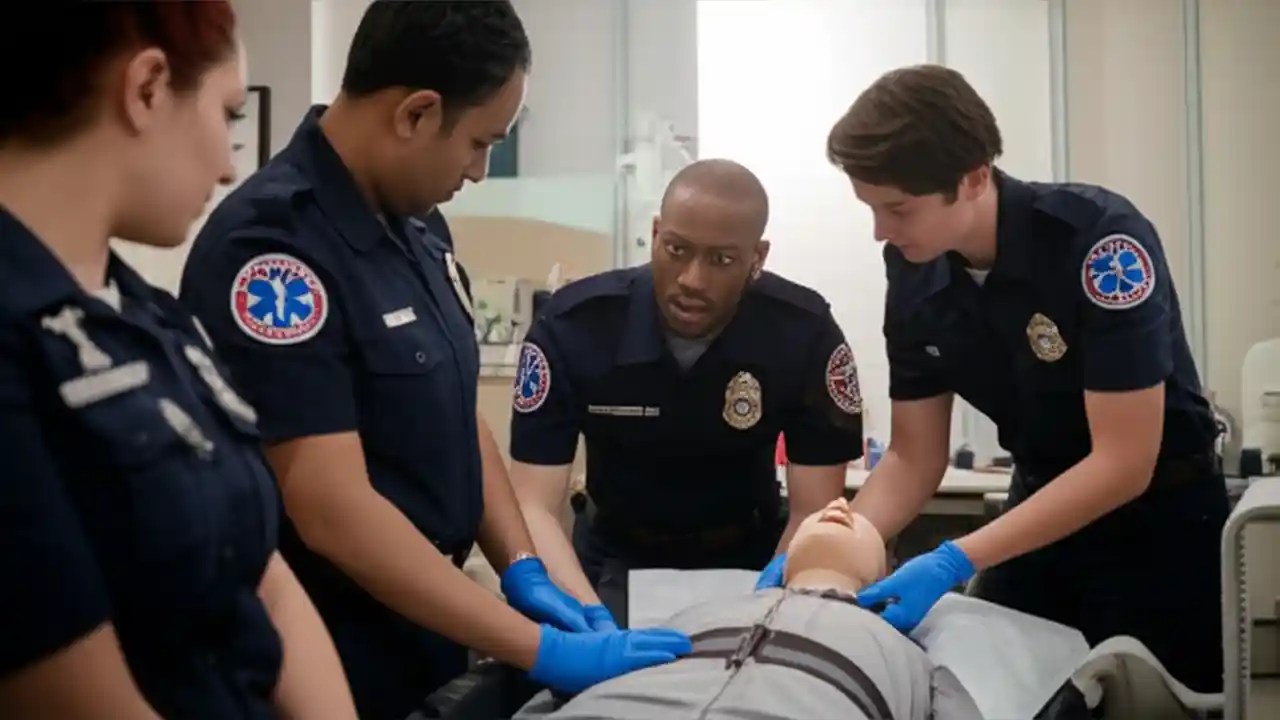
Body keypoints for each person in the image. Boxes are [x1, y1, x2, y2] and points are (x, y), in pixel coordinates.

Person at [177, 2, 690, 718]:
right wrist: (536, 647)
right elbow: (333, 510)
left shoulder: (418, 226)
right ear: (416, 115)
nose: (480, 171)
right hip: (328, 653)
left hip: (429, 627)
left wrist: (522, 566)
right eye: (479, 142)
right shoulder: (273, 253)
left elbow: (451, 412)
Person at [814, 63, 1227, 693]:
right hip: (1036, 511)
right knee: (999, 692)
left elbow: (1124, 462)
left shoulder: (1098, 241)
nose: (881, 231)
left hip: (1158, 523)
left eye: (898, 208)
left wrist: (955, 557)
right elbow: (913, 455)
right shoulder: (915, 270)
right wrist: (839, 546)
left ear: (974, 177)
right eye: (871, 208)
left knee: (1154, 701)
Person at [0, 3, 358, 719]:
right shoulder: (16, 339)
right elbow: (67, 694)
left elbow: (264, 579)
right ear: (147, 88)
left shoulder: (150, 319)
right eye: (227, 115)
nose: (231, 165)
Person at [508, 159, 865, 626]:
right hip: (610, 563)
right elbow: (534, 505)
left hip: (754, 561)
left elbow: (814, 510)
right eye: (676, 249)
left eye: (722, 260)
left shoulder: (803, 333)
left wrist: (770, 602)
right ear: (656, 234)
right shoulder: (576, 327)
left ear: (757, 257)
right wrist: (587, 617)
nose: (692, 279)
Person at [513, 498, 984, 719]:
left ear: (887, 576)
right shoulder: (701, 613)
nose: (839, 504)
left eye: (858, 521)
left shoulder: (908, 656)